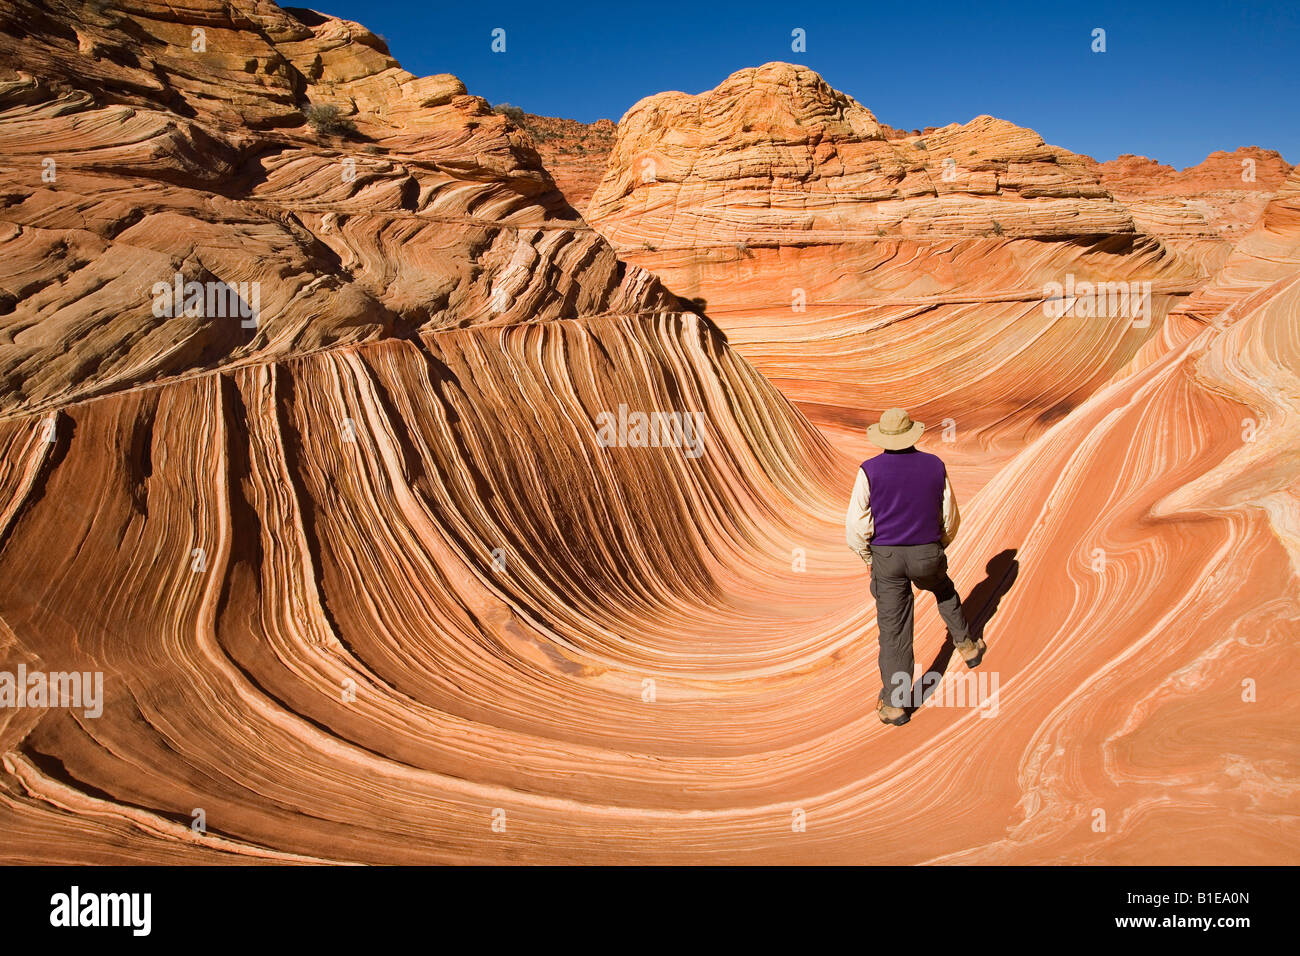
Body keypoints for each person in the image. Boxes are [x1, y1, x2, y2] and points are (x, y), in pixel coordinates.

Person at [845, 408, 985, 726]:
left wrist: (869, 559)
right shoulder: (934, 465)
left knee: (894, 631)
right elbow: (950, 515)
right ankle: (967, 646)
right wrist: (937, 546)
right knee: (943, 589)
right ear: (912, 434)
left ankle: (896, 705)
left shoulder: (870, 470)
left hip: (887, 558)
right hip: (926, 552)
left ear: (882, 437)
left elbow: (856, 525)